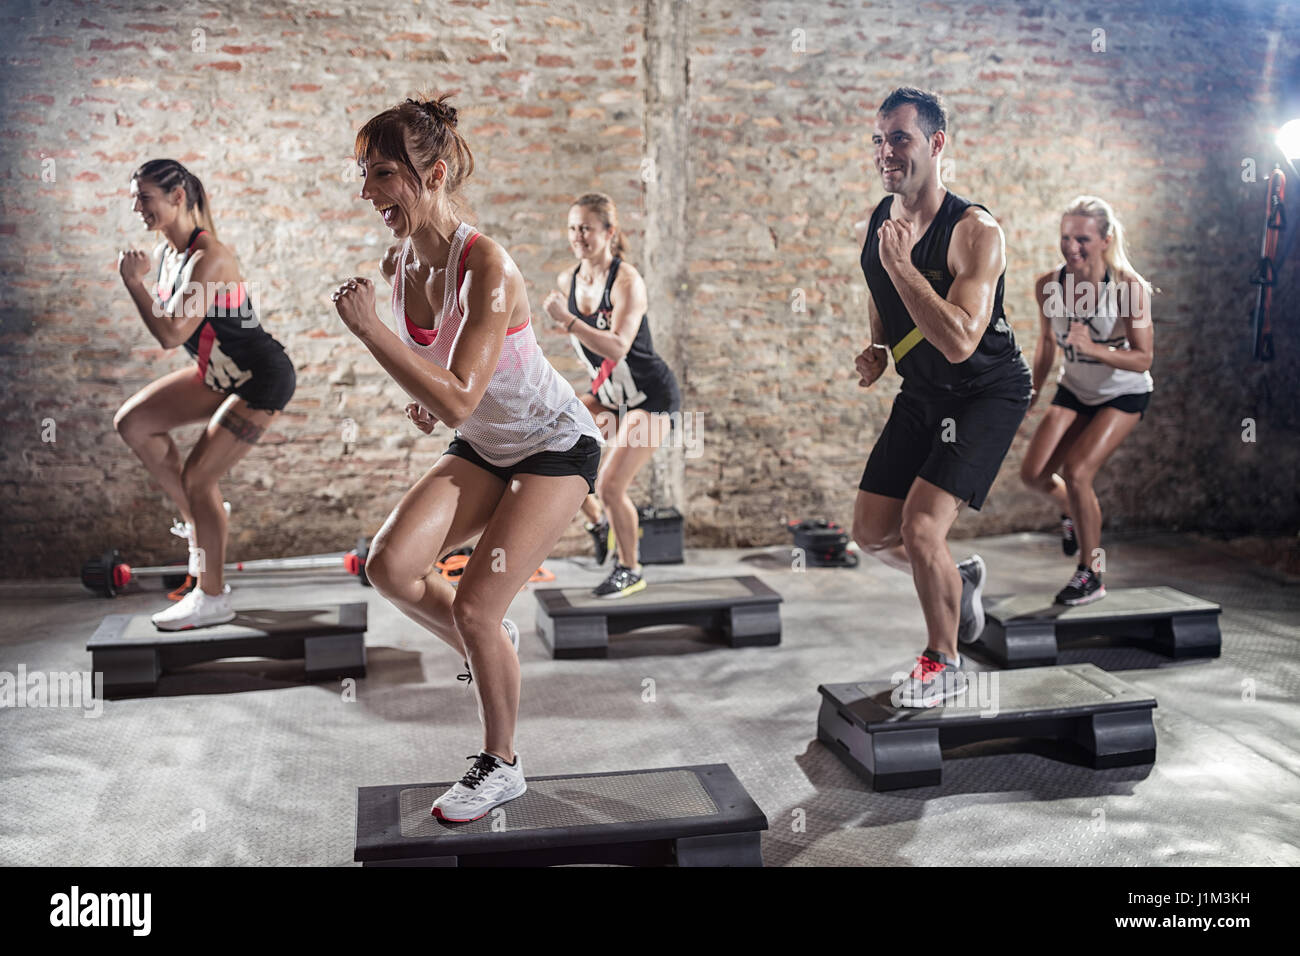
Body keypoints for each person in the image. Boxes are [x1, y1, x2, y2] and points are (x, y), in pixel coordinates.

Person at [333, 93, 601, 822]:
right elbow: (454, 389)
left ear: (436, 174)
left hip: (554, 447)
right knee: (388, 565)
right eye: (364, 174)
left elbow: (455, 394)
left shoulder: (489, 266)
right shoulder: (400, 265)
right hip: (487, 444)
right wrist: (434, 396)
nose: (368, 192)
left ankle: (502, 764)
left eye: (384, 174)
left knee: (479, 607)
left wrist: (372, 335)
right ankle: (488, 642)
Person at [852, 88, 1032, 707]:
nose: (885, 151)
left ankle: (944, 660)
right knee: (872, 533)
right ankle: (958, 580)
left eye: (899, 137)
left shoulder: (975, 231)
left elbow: (959, 341)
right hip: (924, 389)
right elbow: (879, 286)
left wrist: (905, 268)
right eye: (879, 139)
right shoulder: (884, 217)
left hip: (985, 392)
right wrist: (879, 348)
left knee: (922, 525)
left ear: (936, 144)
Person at [114, 159, 296, 631]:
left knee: (198, 478)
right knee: (134, 424)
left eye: (145, 197)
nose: (137, 207)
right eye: (136, 197)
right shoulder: (171, 254)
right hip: (218, 373)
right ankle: (201, 519)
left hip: (260, 377)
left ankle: (212, 596)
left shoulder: (208, 256)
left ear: (177, 198)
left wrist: (134, 283)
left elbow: (172, 333)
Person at [541, 193, 681, 598]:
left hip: (650, 397)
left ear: (609, 232)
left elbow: (618, 346)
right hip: (609, 394)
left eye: (586, 227)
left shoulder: (626, 280)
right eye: (572, 227)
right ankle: (598, 523)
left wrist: (567, 320)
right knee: (548, 443)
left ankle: (630, 568)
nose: (577, 236)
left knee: (612, 484)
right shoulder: (568, 281)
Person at [1020, 196, 1154, 605]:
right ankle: (1072, 514)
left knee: (1078, 473)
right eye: (1066, 237)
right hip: (1075, 388)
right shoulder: (1049, 284)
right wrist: (1033, 390)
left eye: (1083, 239)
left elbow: (1144, 358)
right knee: (1033, 474)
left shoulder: (1129, 288)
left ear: (1105, 239)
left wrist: (1096, 349)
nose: (1071, 247)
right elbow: (1046, 342)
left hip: (1122, 392)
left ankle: (1091, 573)